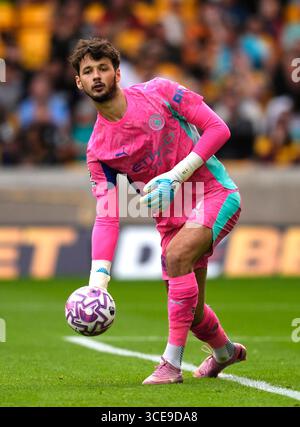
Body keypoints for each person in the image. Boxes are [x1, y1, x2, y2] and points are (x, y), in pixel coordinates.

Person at [69, 38, 247, 385]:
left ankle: (170, 365)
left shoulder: (160, 91)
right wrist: (98, 283)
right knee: (191, 314)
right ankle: (226, 352)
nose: (97, 76)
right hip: (171, 218)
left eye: (103, 68)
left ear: (117, 72)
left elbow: (218, 129)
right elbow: (108, 213)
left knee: (178, 257)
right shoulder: (98, 150)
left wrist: (176, 174)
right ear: (79, 82)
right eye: (88, 71)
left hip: (212, 192)